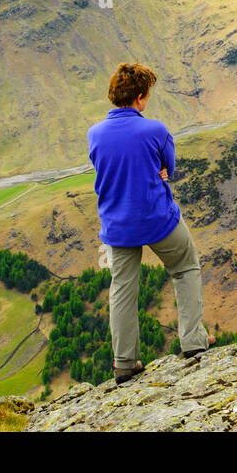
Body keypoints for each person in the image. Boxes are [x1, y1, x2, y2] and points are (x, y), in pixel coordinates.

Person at [87, 62, 210, 384]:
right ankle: (194, 342)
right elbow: (168, 166)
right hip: (157, 219)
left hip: (118, 224)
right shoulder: (155, 129)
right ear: (140, 97)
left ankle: (125, 363)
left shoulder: (95, 133)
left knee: (123, 289)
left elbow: (104, 166)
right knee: (185, 267)